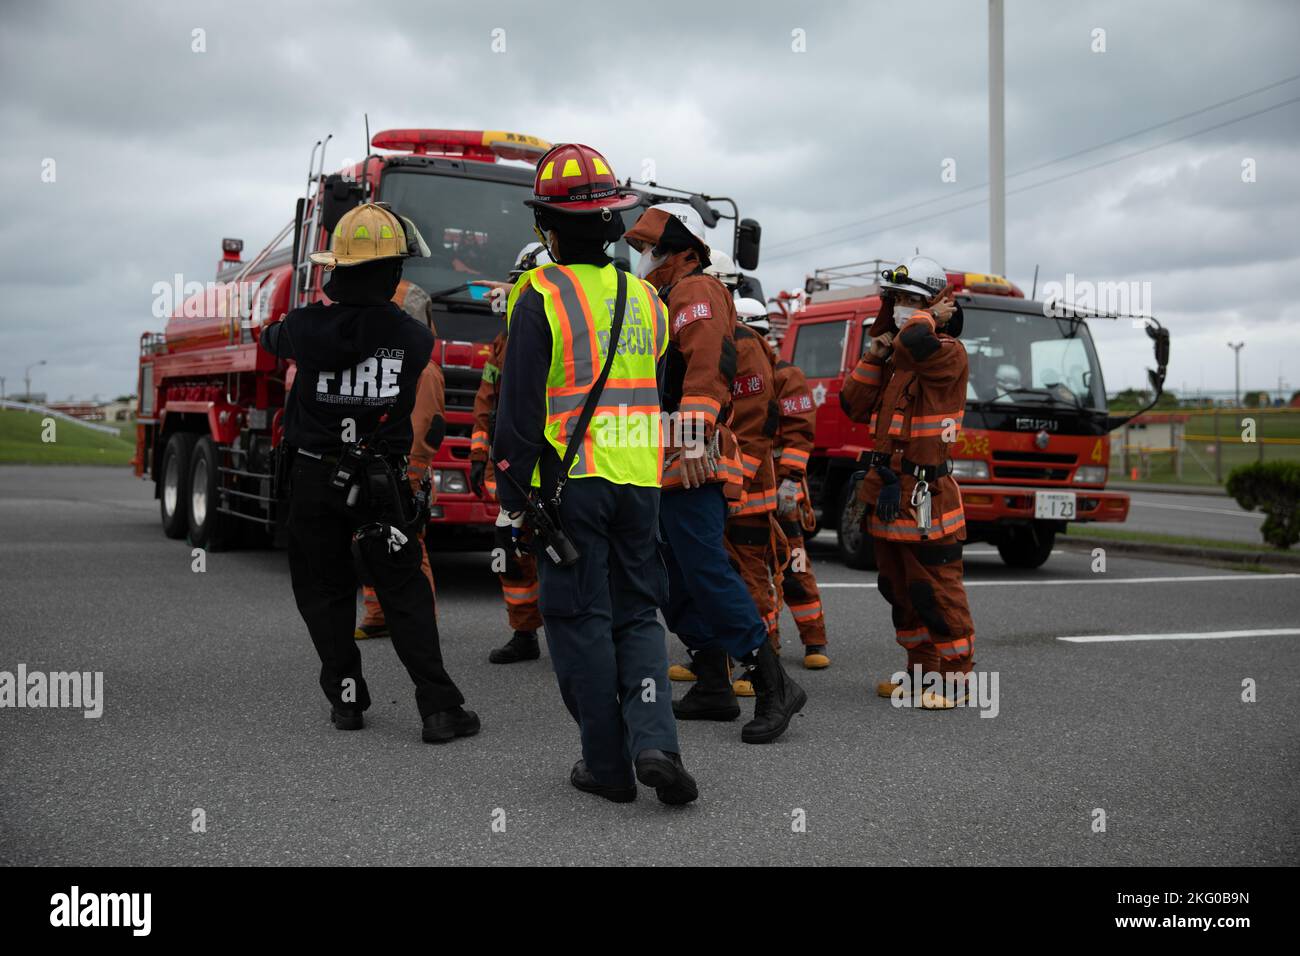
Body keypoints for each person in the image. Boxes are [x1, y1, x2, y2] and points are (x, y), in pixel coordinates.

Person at [492, 144, 697, 805]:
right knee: (637, 616)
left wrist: (512, 499)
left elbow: (518, 410)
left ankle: (607, 765)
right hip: (640, 482)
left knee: (579, 619)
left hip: (569, 484)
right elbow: (656, 392)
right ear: (612, 220)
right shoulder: (647, 300)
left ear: (547, 230)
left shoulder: (540, 293)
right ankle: (656, 742)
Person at [260, 202, 479, 742]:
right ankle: (439, 709)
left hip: (312, 480)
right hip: (380, 483)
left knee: (325, 594)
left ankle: (347, 701)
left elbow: (270, 340)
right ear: (394, 273)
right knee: (404, 593)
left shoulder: (301, 329)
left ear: (336, 269)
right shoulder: (414, 338)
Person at [624, 204, 806, 744]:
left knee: (703, 568)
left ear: (680, 249)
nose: (641, 258)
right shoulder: (667, 297)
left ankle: (773, 685)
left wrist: (696, 432)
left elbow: (707, 363)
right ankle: (712, 684)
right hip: (667, 455)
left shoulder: (694, 291)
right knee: (676, 571)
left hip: (691, 455)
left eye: (648, 248)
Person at [839, 255, 975, 709]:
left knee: (934, 588)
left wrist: (926, 317)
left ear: (935, 307)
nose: (898, 307)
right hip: (889, 492)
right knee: (897, 588)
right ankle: (921, 673)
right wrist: (875, 353)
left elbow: (918, 339)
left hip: (927, 497)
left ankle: (955, 678)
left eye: (909, 299)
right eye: (894, 298)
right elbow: (852, 405)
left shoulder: (947, 354)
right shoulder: (895, 360)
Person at [467, 243, 550, 664]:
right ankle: (523, 632)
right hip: (512, 466)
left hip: (555, 466)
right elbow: (488, 400)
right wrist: (478, 452)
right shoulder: (504, 341)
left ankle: (579, 634)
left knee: (563, 550)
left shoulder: (570, 334)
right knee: (510, 549)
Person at [738, 297, 830, 669]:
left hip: (781, 488)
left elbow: (799, 431)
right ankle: (763, 644)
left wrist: (790, 480)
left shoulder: (785, 374)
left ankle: (814, 641)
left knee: (793, 563)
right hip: (750, 484)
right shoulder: (736, 370)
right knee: (752, 569)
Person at [354, 278, 445, 641]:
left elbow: (427, 427)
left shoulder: (422, 369)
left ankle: (421, 620)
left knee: (410, 545)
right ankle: (378, 615)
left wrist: (412, 477)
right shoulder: (387, 363)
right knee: (372, 541)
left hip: (405, 475)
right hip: (379, 471)